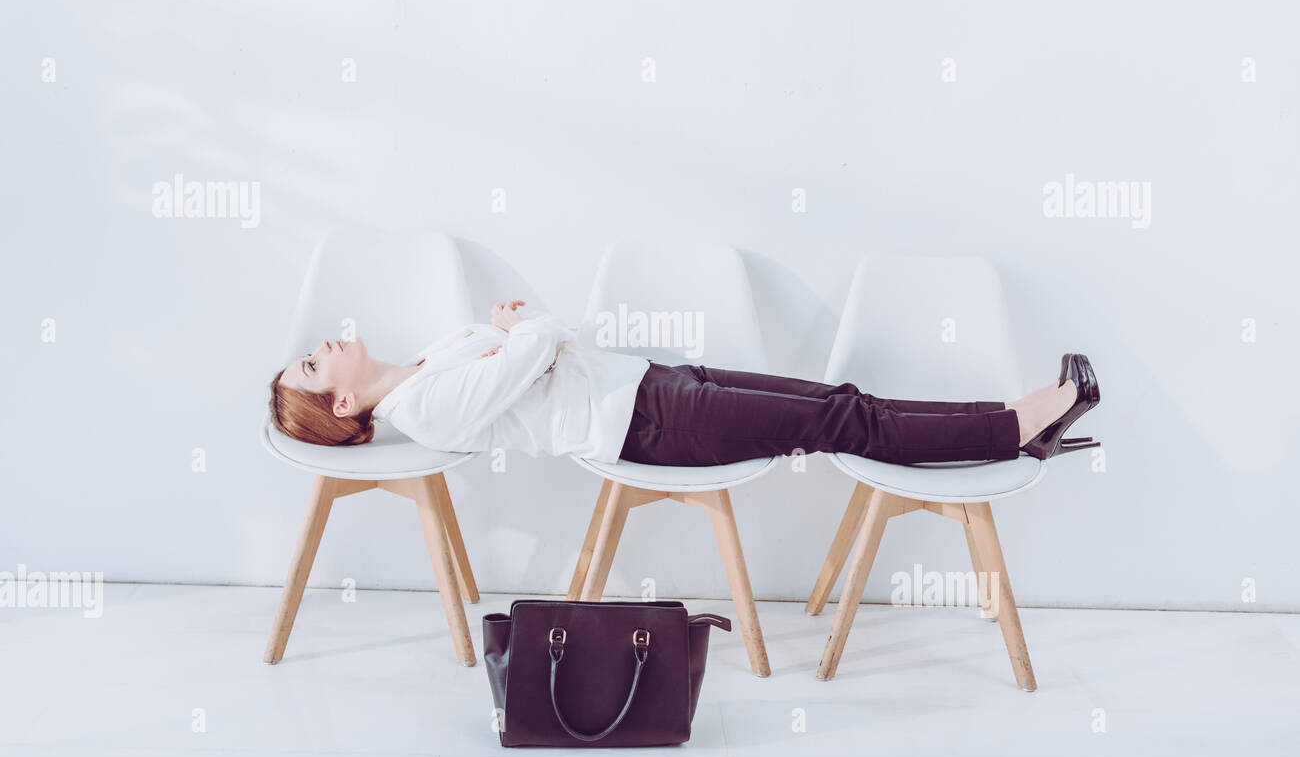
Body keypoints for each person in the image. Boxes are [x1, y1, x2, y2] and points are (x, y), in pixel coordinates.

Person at [268, 300, 1099, 466]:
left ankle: (1007, 417)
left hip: (652, 385)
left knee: (843, 402)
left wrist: (518, 338)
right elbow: (536, 339)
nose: (321, 346)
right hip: (651, 426)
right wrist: (526, 335)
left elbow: (517, 343)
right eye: (313, 363)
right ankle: (1016, 430)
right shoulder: (422, 406)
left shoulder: (426, 362)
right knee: (845, 424)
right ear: (343, 404)